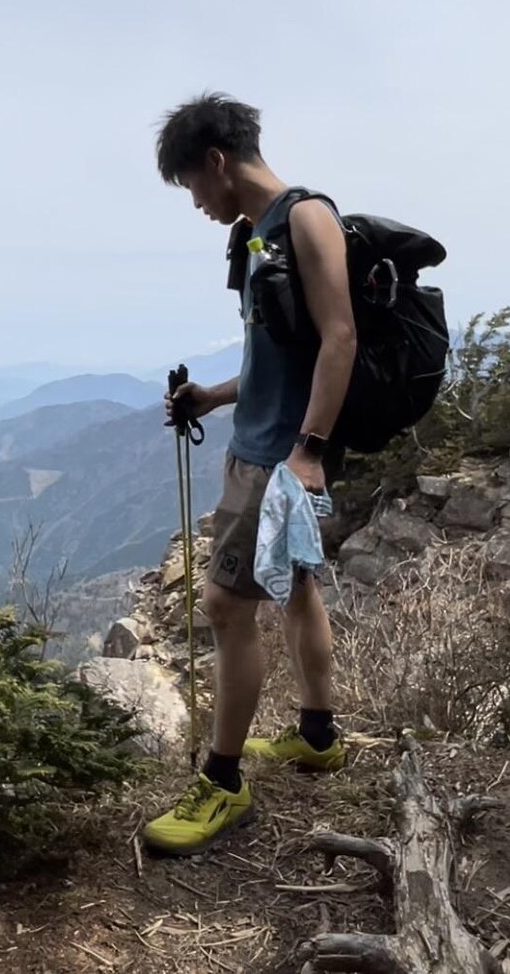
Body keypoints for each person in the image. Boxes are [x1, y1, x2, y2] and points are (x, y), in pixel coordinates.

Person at [143, 92, 356, 856]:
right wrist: (213, 395)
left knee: (225, 606)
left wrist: (309, 449)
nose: (196, 201)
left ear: (216, 161)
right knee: (296, 588)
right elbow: (276, 357)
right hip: (264, 441)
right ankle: (318, 736)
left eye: (192, 184)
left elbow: (340, 338)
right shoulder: (258, 234)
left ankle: (223, 782)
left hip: (279, 457)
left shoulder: (307, 219)